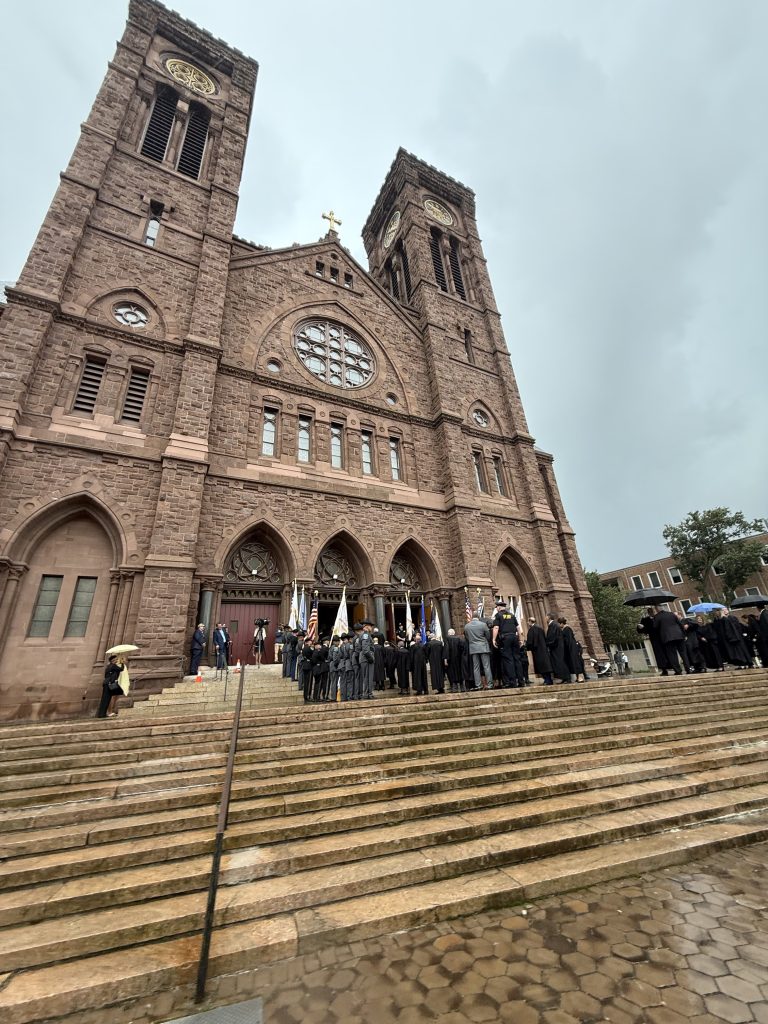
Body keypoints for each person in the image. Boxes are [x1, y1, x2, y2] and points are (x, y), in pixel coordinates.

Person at [649, 606, 690, 675]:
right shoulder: (671, 614)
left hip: (668, 638)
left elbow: (655, 627)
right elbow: (679, 624)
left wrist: (654, 620)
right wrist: (684, 634)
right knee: (683, 653)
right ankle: (688, 669)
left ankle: (678, 671)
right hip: (679, 636)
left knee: (672, 655)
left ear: (656, 610)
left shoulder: (657, 617)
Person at [494, 602, 523, 688]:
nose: (496, 609)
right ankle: (521, 681)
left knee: (508, 659)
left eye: (496, 607)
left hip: (505, 638)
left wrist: (493, 639)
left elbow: (496, 627)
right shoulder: (511, 615)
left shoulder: (498, 615)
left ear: (499, 607)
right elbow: (518, 628)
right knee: (517, 659)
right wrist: (520, 639)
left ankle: (512, 682)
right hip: (514, 637)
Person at [463, 610, 492, 691]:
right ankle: (489, 684)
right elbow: (488, 636)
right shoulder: (483, 625)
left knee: (476, 667)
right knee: (486, 666)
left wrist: (473, 642)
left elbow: (467, 637)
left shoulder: (467, 626)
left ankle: (478, 685)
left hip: (473, 648)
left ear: (472, 617)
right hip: (483, 646)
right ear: (478, 617)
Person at [526, 617, 552, 685]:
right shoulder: (540, 628)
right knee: (545, 665)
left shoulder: (532, 629)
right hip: (543, 649)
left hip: (537, 651)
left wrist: (527, 647)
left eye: (528, 621)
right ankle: (548, 679)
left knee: (541, 666)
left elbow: (530, 641)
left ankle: (547, 680)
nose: (527, 623)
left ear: (530, 622)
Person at [546, 613, 571, 684]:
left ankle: (567, 678)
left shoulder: (553, 625)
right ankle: (563, 677)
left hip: (557, 647)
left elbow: (553, 637)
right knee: (558, 662)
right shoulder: (553, 625)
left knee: (560, 661)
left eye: (546, 617)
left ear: (549, 617)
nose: (545, 618)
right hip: (556, 647)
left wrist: (548, 644)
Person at [558, 616, 580, 684]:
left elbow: (568, 640)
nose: (559, 625)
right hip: (569, 649)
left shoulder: (567, 629)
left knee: (574, 663)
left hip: (570, 649)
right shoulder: (565, 629)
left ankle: (578, 677)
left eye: (559, 623)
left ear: (562, 623)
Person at [444, 628, 465, 693]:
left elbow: (446, 649)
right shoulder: (459, 639)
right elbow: (462, 648)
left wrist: (445, 659)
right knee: (459, 672)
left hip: (451, 660)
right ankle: (462, 687)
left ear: (449, 633)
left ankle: (454, 688)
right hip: (459, 659)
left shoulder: (447, 639)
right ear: (454, 633)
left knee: (452, 673)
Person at [359, 620, 376, 699]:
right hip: (367, 659)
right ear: (366, 626)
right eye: (371, 626)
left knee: (367, 677)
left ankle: (368, 693)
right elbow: (365, 650)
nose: (371, 628)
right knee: (367, 677)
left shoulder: (366, 635)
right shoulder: (365, 635)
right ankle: (367, 694)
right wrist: (371, 658)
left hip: (365, 659)